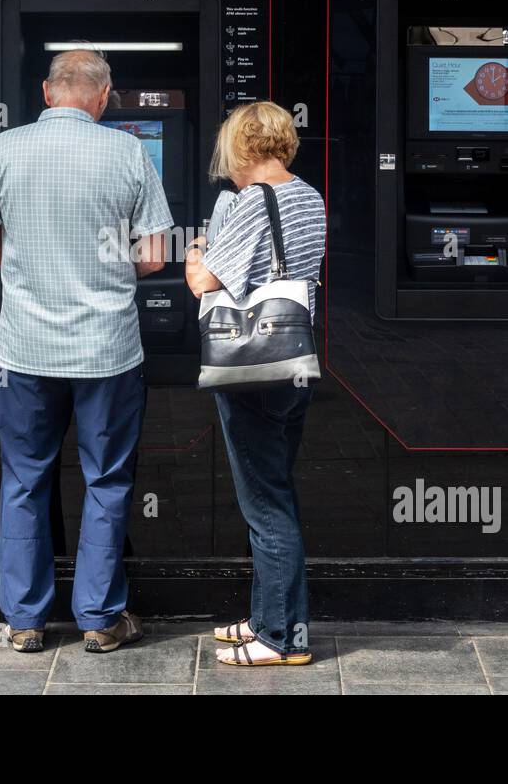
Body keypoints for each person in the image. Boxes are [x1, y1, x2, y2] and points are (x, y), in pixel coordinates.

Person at [0, 48, 173, 654]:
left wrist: (40, 275)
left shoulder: (4, 149)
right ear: (104, 96)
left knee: (24, 482)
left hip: (26, 351)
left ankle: (26, 620)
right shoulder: (129, 152)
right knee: (106, 481)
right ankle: (99, 619)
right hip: (107, 352)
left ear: (46, 91)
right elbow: (156, 256)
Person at [184, 101, 326, 667]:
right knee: (276, 490)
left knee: (265, 504)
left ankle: (281, 639)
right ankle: (270, 616)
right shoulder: (309, 196)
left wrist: (197, 246)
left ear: (242, 146)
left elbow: (203, 281)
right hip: (293, 359)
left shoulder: (246, 204)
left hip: (251, 369)